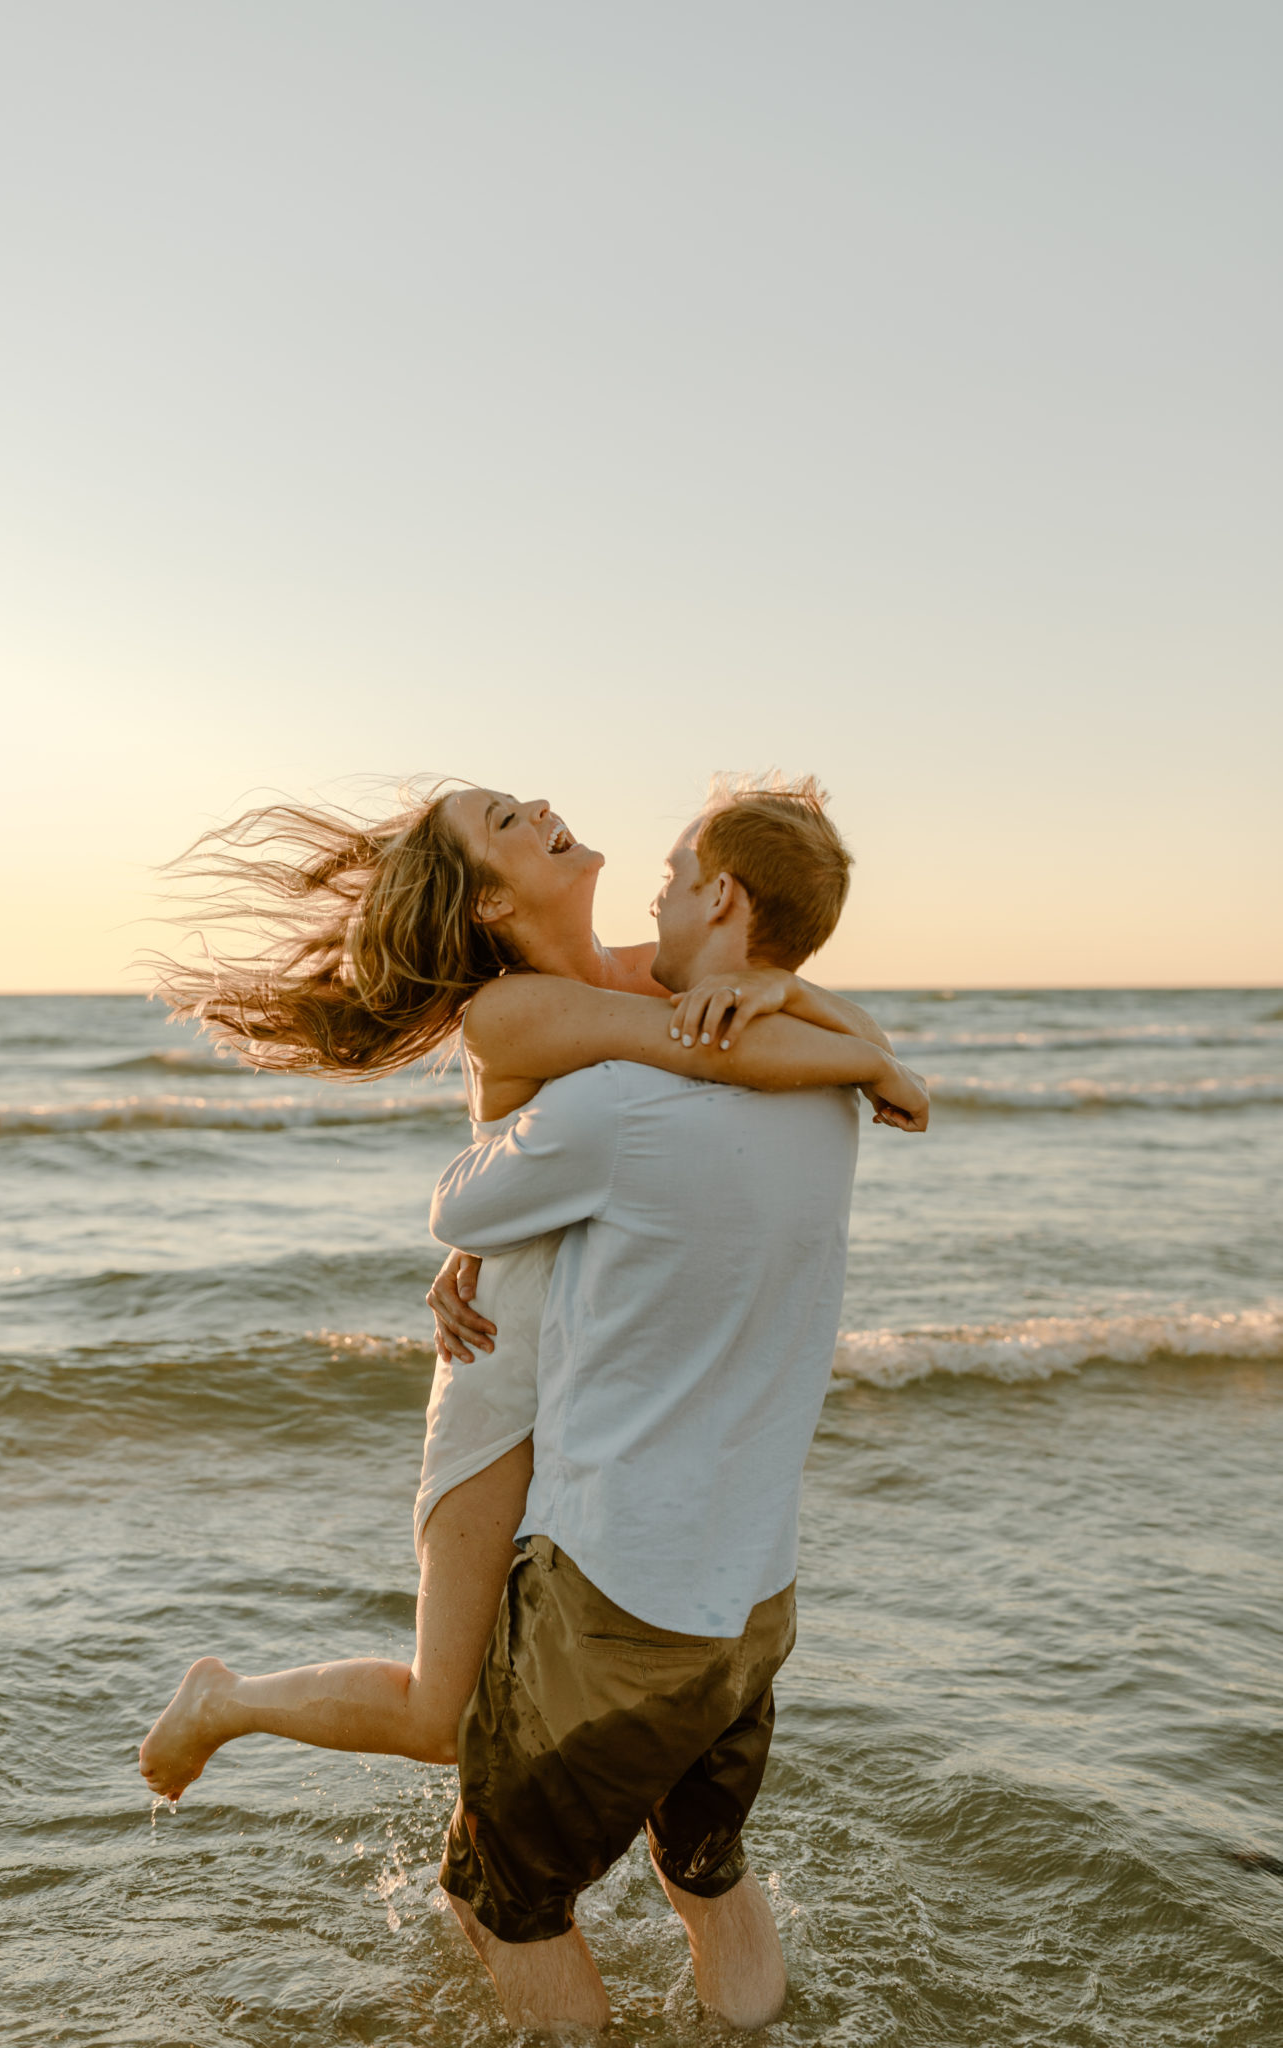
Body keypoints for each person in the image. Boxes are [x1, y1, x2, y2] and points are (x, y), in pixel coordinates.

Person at [139, 778, 925, 1810]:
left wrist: (793, 994)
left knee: (528, 1693)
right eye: (505, 821)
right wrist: (873, 1061)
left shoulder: (639, 970)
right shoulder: (515, 1008)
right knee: (441, 1715)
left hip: (588, 1357)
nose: (543, 804)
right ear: (493, 905)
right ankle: (223, 1699)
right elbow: (724, 1047)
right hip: (499, 1366)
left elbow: (759, 1007)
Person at [426, 797, 874, 2030]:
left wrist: (478, 1227)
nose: (656, 899)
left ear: (723, 897)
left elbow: (464, 1205)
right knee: (707, 1871)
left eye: (677, 878)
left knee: (501, 1900)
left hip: (615, 1593)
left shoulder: (611, 1106)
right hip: (754, 1599)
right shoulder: (833, 1098)